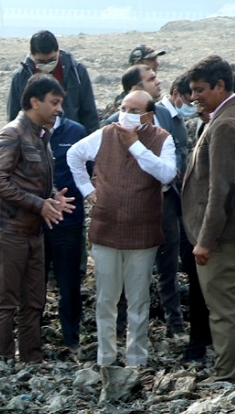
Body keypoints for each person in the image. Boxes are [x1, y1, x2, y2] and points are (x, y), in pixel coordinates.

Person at [66, 90, 175, 367]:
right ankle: (106, 357)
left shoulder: (162, 139)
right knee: (106, 299)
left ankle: (136, 359)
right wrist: (87, 189)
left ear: (149, 116)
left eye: (134, 110)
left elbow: (166, 174)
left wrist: (136, 146)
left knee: (138, 299)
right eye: (124, 108)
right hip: (106, 229)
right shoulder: (105, 135)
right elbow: (74, 154)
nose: (126, 114)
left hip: (142, 233)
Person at [181, 56, 235, 382]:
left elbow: (220, 191)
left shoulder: (227, 124)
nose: (194, 97)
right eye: (191, 91)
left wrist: (205, 241)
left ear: (220, 85)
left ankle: (226, 374)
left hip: (224, 233)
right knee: (229, 301)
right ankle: (228, 367)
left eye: (199, 90)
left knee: (222, 307)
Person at [0, 74, 75, 362]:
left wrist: (53, 197)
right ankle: (3, 361)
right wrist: (38, 204)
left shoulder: (41, 136)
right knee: (7, 302)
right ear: (35, 102)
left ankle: (31, 359)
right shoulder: (12, 134)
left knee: (35, 300)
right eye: (54, 102)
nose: (59, 109)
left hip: (34, 232)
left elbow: (33, 180)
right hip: (10, 230)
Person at [111, 63, 190, 337]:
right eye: (151, 79)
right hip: (132, 207)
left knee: (169, 266)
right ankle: (121, 327)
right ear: (135, 88)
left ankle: (175, 325)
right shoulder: (114, 123)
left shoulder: (165, 115)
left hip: (165, 201)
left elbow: (180, 151)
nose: (158, 82)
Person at [44, 112, 90, 350]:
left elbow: (88, 169)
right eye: (52, 102)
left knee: (69, 282)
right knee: (34, 282)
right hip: (36, 223)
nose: (56, 108)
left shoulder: (75, 131)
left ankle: (72, 338)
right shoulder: (24, 132)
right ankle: (33, 337)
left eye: (58, 102)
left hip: (69, 221)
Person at [6, 30, 100, 132]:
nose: (47, 65)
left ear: (58, 51)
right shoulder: (20, 77)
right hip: (34, 135)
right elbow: (14, 116)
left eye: (52, 60)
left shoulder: (76, 72)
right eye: (41, 61)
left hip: (70, 134)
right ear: (32, 55)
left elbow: (89, 113)